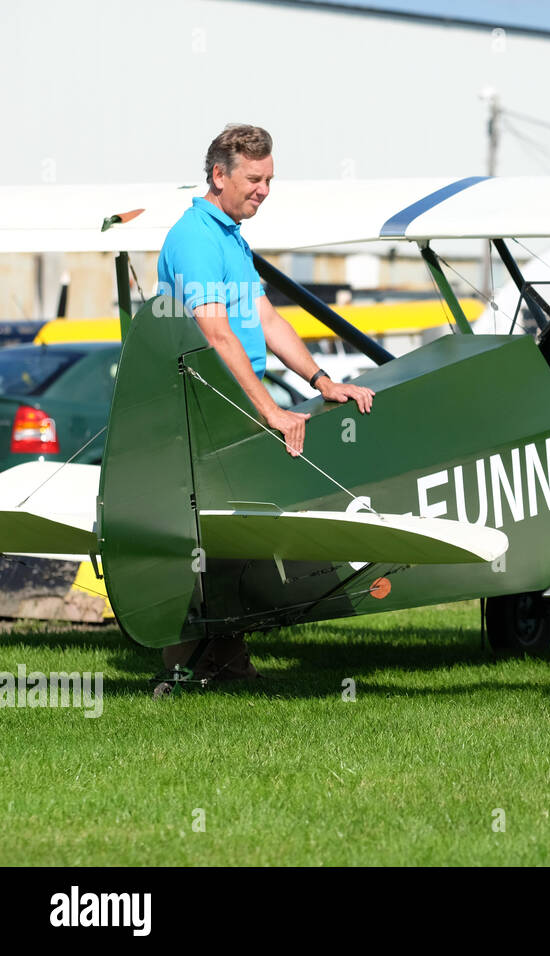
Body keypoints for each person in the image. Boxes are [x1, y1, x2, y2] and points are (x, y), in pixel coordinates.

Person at [153, 124, 375, 690]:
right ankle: (188, 664)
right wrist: (271, 412)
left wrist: (321, 379)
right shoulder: (196, 238)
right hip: (206, 406)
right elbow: (218, 335)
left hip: (232, 402)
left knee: (234, 535)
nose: (265, 190)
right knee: (209, 537)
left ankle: (219, 661)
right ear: (218, 175)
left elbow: (266, 318)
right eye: (255, 179)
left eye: (270, 179)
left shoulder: (230, 236)